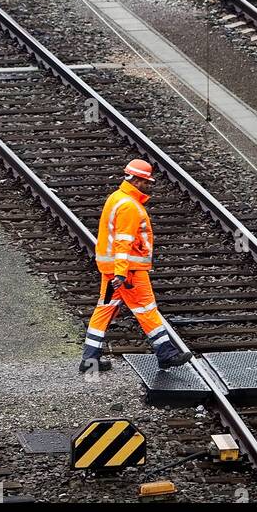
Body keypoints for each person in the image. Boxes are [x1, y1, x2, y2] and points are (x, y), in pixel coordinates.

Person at [79, 158, 191, 374]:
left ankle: (89, 358)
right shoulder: (129, 206)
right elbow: (123, 241)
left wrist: (116, 272)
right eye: (148, 182)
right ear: (138, 181)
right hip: (128, 272)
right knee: (146, 309)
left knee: (105, 308)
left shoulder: (117, 198)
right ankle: (166, 354)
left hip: (112, 270)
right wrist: (121, 273)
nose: (150, 186)